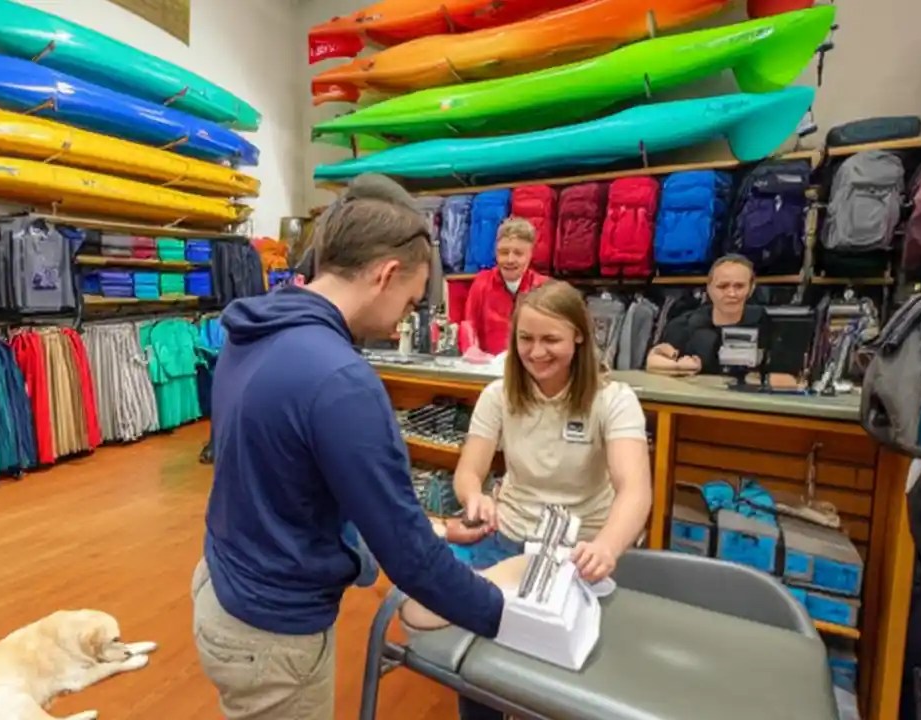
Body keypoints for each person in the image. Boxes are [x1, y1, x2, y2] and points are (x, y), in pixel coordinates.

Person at [193, 174, 505, 720]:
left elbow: (298, 485)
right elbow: (408, 558)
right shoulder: (340, 379)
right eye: (409, 302)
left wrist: (438, 528)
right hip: (271, 630)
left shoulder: (253, 329)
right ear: (385, 274)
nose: (401, 322)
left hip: (223, 585)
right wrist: (504, 613)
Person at [440, 281, 653, 720]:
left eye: (550, 339)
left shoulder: (614, 400)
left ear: (579, 335)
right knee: (480, 665)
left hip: (579, 558)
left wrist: (607, 548)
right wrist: (475, 497)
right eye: (526, 339)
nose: (536, 352)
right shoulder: (497, 395)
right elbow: (469, 471)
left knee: (564, 680)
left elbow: (635, 489)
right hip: (507, 541)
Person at [646, 254, 767, 376]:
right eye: (723, 286)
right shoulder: (684, 325)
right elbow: (653, 360)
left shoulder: (768, 323)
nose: (731, 293)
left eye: (739, 286)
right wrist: (678, 367)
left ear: (751, 289)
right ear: (709, 289)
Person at [461, 217, 550, 356]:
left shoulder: (544, 288)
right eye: (503, 252)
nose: (510, 260)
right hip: (489, 368)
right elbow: (469, 326)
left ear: (531, 254)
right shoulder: (481, 284)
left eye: (518, 253)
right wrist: (472, 351)